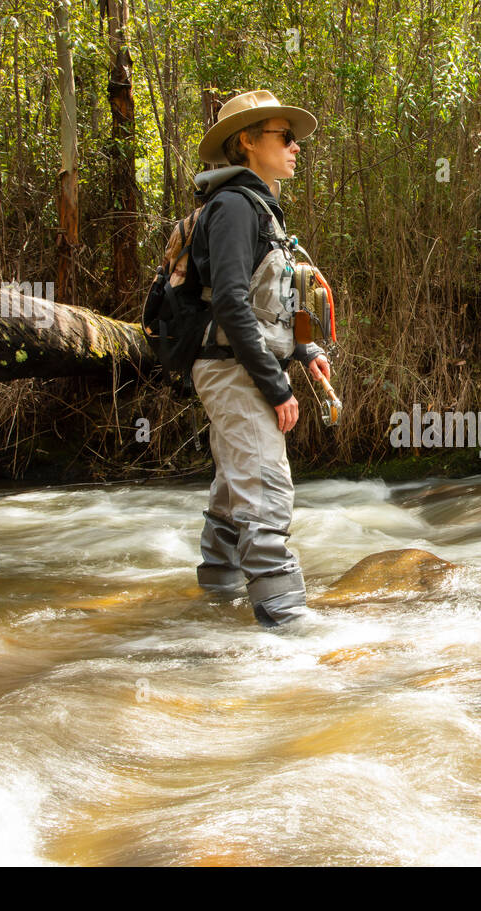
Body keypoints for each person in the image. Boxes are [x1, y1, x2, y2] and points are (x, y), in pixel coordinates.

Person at [188, 90, 330, 628]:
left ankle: (214, 605)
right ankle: (288, 624)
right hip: (233, 371)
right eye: (284, 136)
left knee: (234, 491)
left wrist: (306, 349)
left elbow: (277, 299)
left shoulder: (261, 208)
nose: (296, 147)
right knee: (267, 492)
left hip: (241, 366)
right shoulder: (231, 208)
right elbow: (229, 302)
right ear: (247, 141)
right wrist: (277, 387)